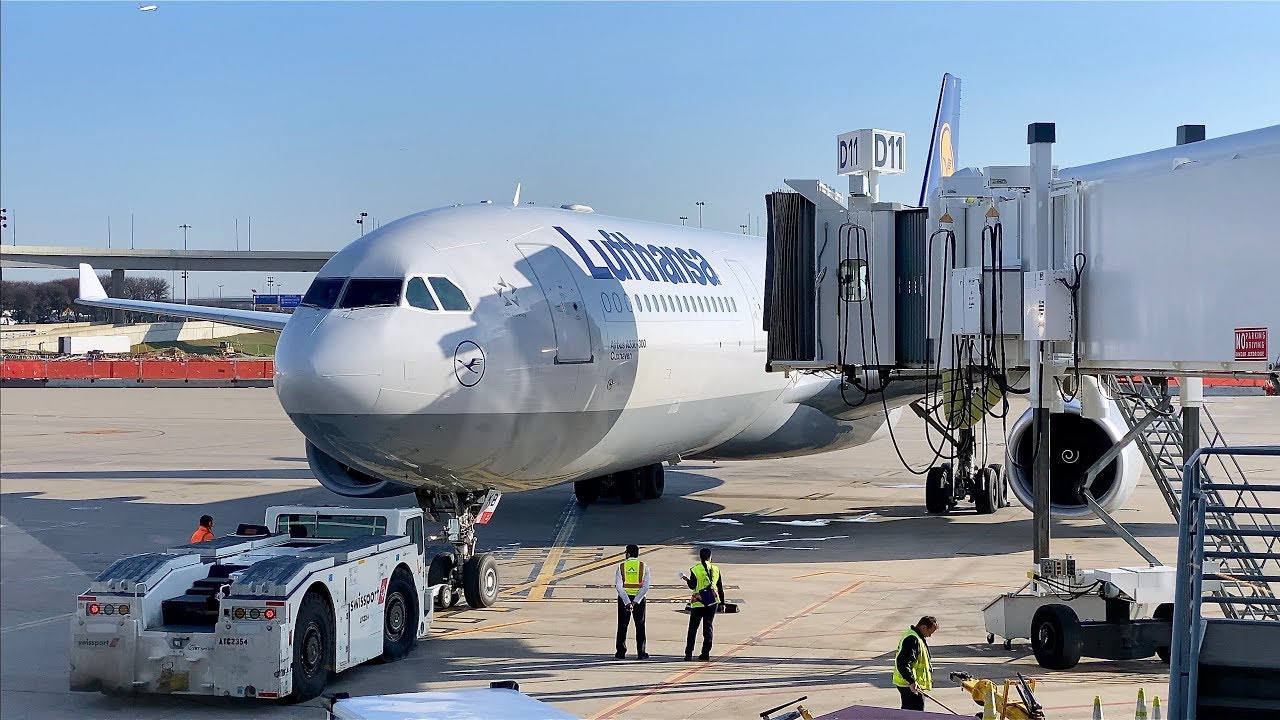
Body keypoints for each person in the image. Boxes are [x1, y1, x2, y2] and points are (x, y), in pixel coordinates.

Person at [681, 547, 725, 661]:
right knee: (708, 627)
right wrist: (723, 603)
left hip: (698, 601)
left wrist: (685, 579)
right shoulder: (716, 569)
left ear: (700, 557)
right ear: (710, 557)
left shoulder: (695, 569)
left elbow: (692, 586)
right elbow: (720, 587)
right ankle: (705, 653)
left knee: (693, 628)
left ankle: (688, 654)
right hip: (712, 601)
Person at [892, 615, 938, 711]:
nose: (930, 635)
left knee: (910, 712)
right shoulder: (913, 639)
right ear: (924, 627)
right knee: (915, 713)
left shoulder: (915, 636)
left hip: (911, 684)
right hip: (910, 685)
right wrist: (911, 681)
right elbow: (902, 662)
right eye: (930, 632)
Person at [613, 544, 651, 659]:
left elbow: (619, 586)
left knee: (622, 625)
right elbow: (645, 587)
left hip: (624, 599)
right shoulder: (644, 566)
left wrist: (627, 602)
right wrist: (635, 601)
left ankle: (620, 652)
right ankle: (641, 652)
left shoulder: (621, 566)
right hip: (638, 600)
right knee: (640, 625)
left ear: (628, 554)